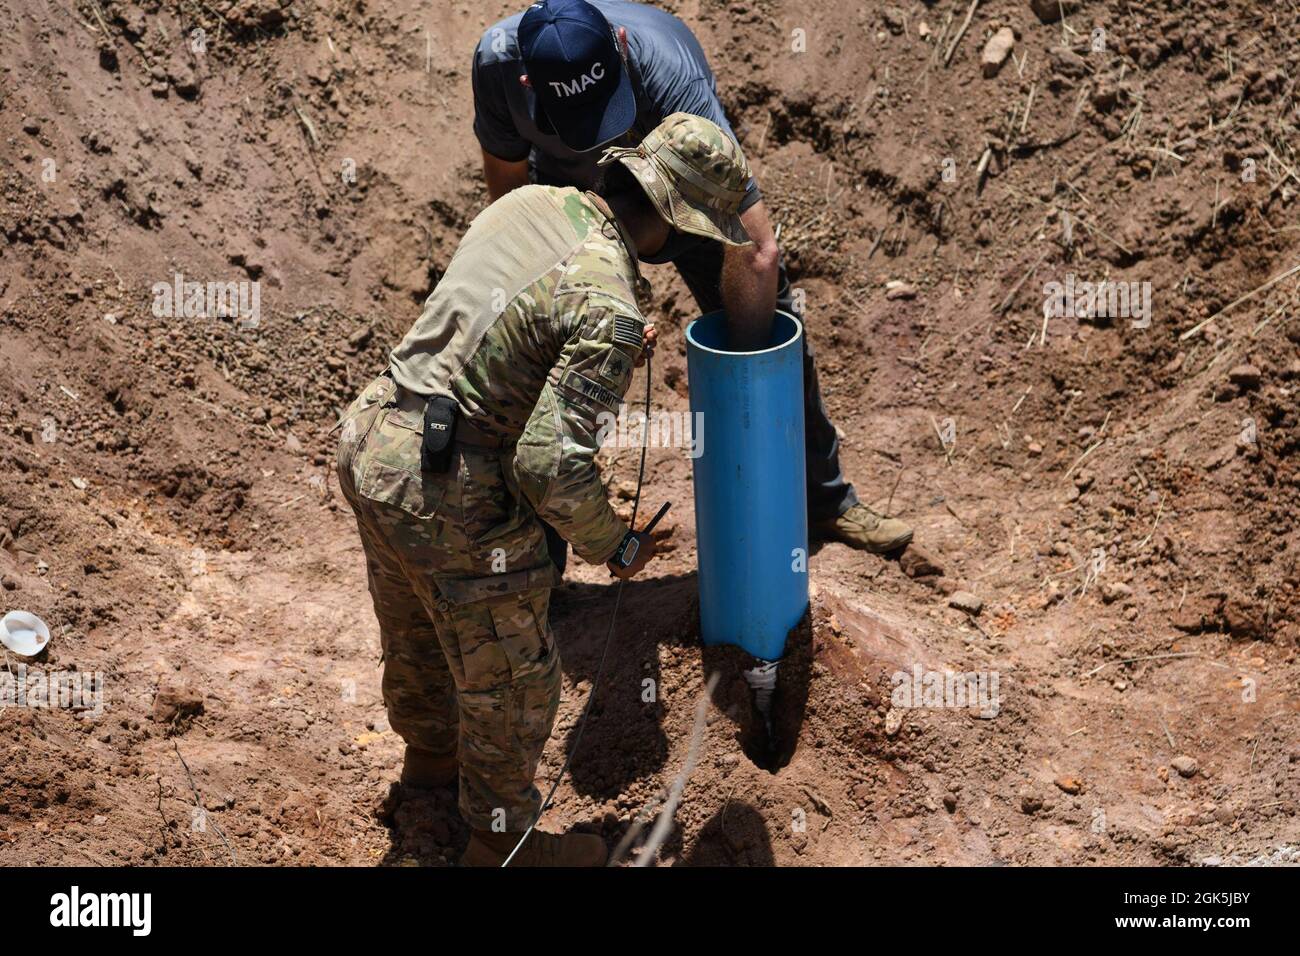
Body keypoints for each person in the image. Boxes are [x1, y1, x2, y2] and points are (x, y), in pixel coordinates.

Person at [336, 112, 753, 866]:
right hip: (453, 491)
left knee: (421, 635)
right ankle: (502, 846)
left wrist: (600, 337)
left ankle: (427, 779)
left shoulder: (527, 203)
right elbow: (548, 465)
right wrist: (615, 544)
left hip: (375, 446)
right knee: (516, 682)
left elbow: (502, 321)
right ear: (669, 221)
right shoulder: (610, 310)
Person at [471, 0, 914, 576]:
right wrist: (554, 305)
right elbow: (509, 208)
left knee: (767, 315)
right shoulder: (499, 65)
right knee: (533, 342)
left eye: (607, 111)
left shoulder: (669, 71)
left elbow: (756, 250)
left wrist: (750, 367)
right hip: (573, 202)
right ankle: (542, 557)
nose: (595, 135)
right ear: (529, 82)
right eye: (574, 118)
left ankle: (818, 500)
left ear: (622, 45)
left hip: (684, 196)